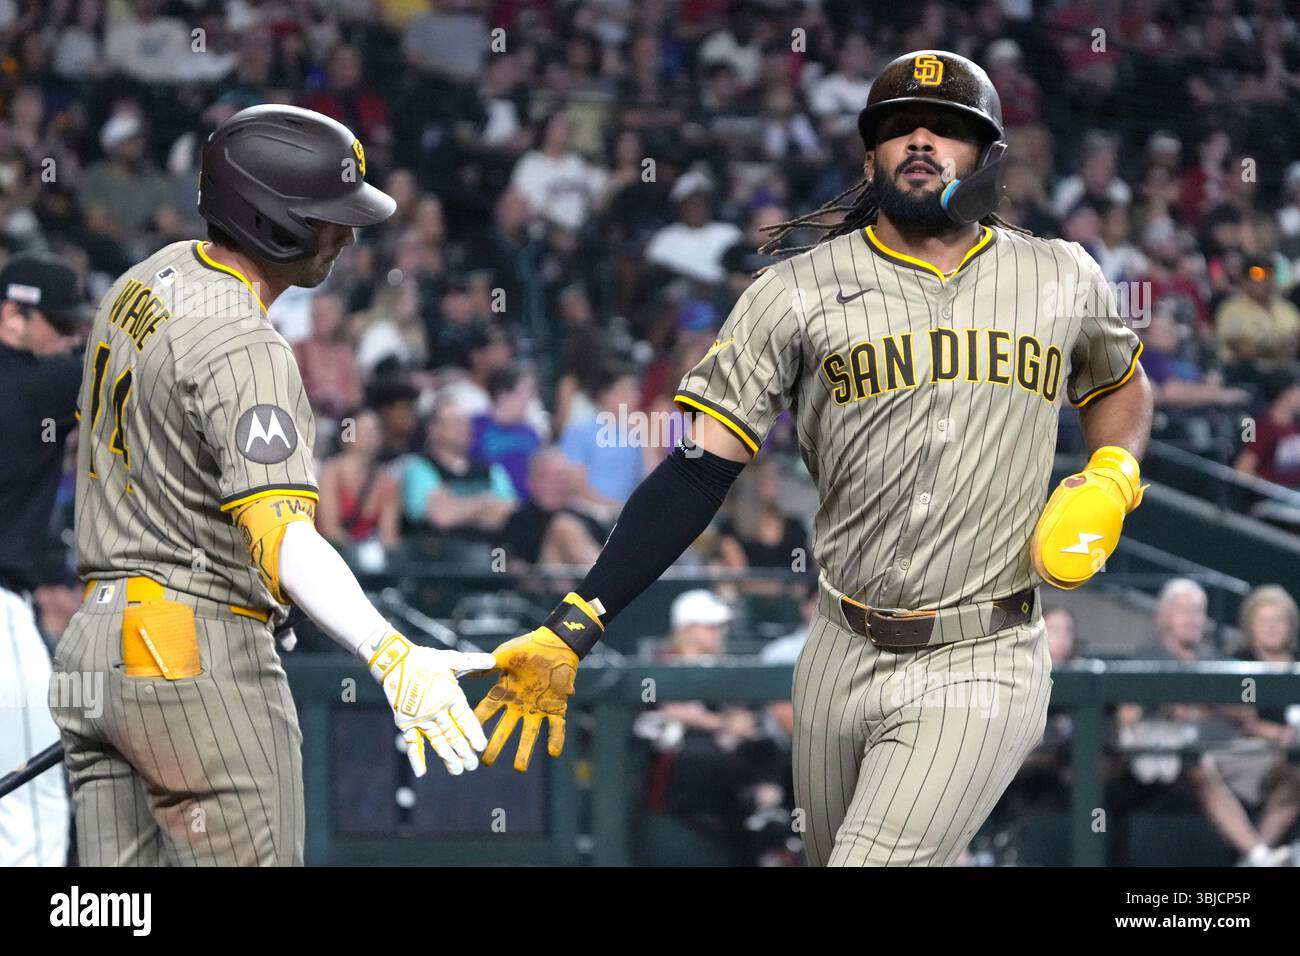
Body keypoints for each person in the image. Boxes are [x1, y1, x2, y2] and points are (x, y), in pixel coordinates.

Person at [469, 51, 1154, 867]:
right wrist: (575, 624)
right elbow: (697, 471)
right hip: (837, 648)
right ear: (869, 159)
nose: (920, 140)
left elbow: (1121, 386)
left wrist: (1114, 471)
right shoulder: (793, 291)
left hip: (984, 649)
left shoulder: (1060, 275)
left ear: (988, 156)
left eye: (947, 128)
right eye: (898, 128)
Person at [48, 106, 494, 867]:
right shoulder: (247, 345)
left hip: (96, 646)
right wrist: (390, 653)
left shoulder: (144, 278)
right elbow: (283, 535)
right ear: (273, 221)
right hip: (192, 650)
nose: (346, 235)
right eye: (328, 217)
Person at [0, 252, 90, 865]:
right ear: (12, 315)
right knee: (31, 796)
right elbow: (126, 361)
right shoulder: (34, 385)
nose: (69, 339)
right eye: (59, 325)